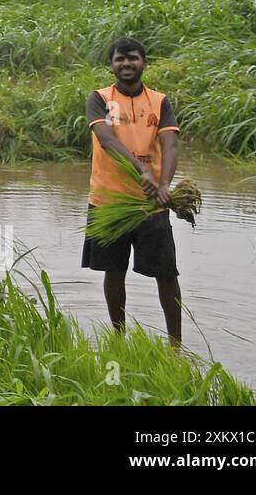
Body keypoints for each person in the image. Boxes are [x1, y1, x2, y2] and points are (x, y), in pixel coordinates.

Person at [82, 36, 183, 347]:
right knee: (113, 271)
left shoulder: (159, 101)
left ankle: (175, 346)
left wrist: (164, 185)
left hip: (151, 203)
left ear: (144, 62)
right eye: (119, 59)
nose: (126, 64)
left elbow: (170, 143)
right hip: (108, 200)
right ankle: (119, 340)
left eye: (133, 58)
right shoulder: (100, 99)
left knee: (167, 274)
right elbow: (107, 140)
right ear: (112, 65)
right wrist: (142, 171)